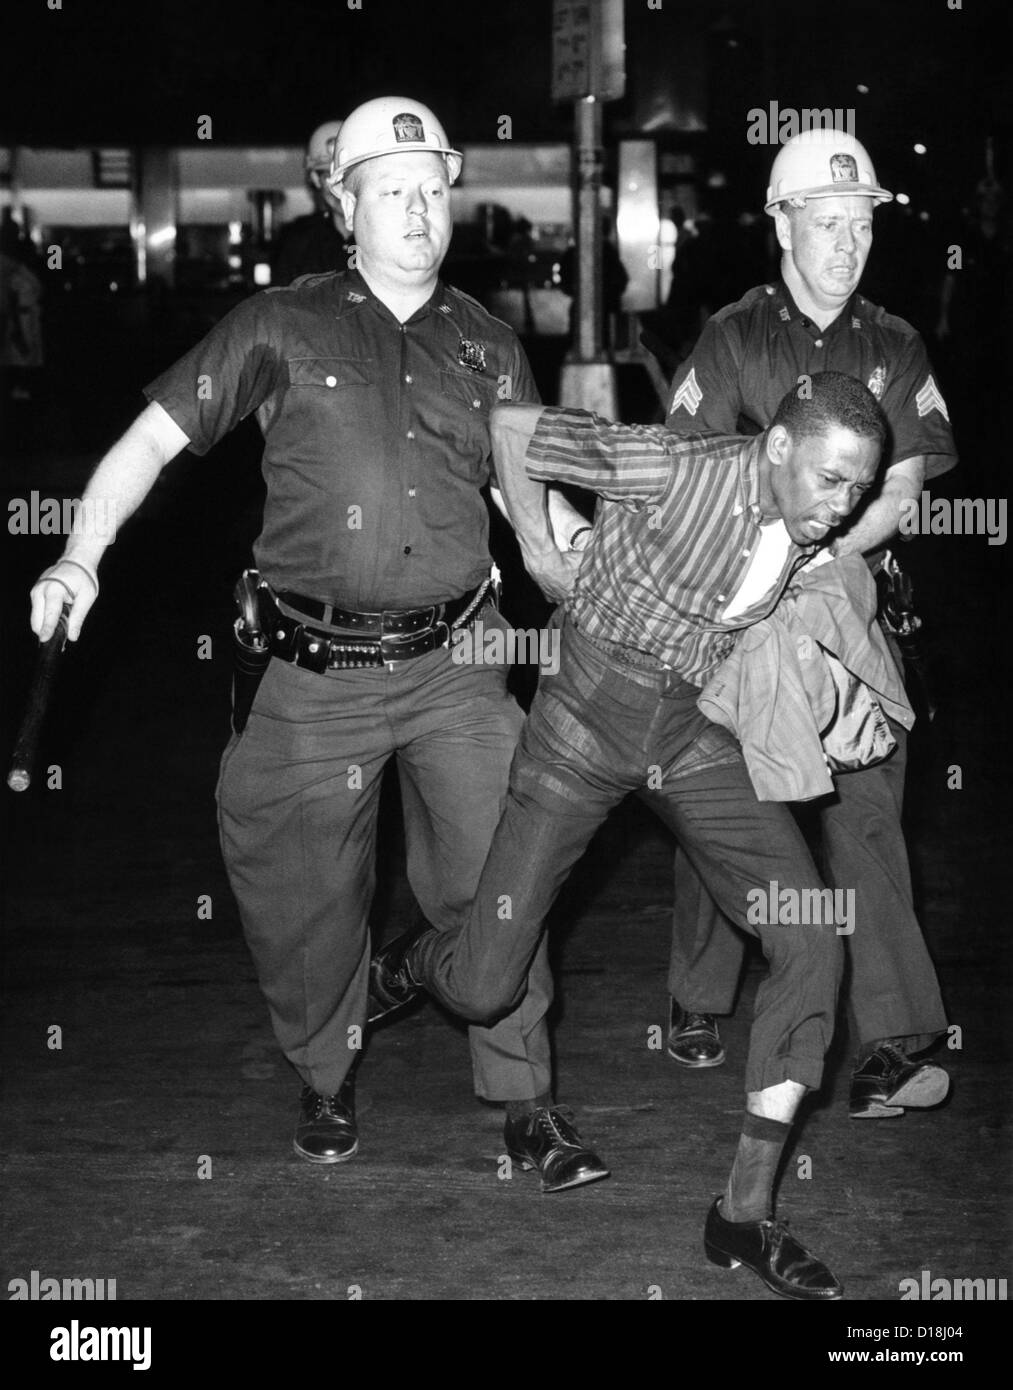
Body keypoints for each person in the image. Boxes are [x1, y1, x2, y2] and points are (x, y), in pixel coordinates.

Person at [28, 95, 602, 1188]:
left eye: (433, 188)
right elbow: (149, 443)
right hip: (311, 669)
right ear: (344, 203)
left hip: (458, 663)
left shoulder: (485, 344)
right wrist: (78, 556)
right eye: (392, 189)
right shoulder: (277, 324)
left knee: (504, 870)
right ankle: (326, 1071)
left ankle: (525, 1097)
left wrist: (591, 558)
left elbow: (533, 505)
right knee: (299, 895)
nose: (418, 209)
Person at [371, 372, 893, 1299]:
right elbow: (514, 423)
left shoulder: (811, 524)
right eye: (827, 479)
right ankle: (419, 964)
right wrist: (538, 544)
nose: (840, 504)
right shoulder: (674, 466)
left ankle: (741, 1216)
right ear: (776, 448)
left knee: (810, 932)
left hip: (690, 735)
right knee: (487, 985)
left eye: (857, 487)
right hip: (579, 724)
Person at [663, 129, 955, 1120]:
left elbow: (907, 478)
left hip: (847, 606)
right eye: (826, 223)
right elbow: (684, 469)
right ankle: (700, 996)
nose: (847, 243)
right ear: (780, 224)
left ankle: (888, 1044)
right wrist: (759, 560)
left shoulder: (893, 341)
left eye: (862, 223)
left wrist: (827, 546)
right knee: (729, 810)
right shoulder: (732, 338)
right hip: (739, 611)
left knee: (861, 812)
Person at [271, 120, 351, 285]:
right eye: (328, 176)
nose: (339, 188)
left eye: (346, 176)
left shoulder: (385, 237)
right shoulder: (297, 242)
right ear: (315, 179)